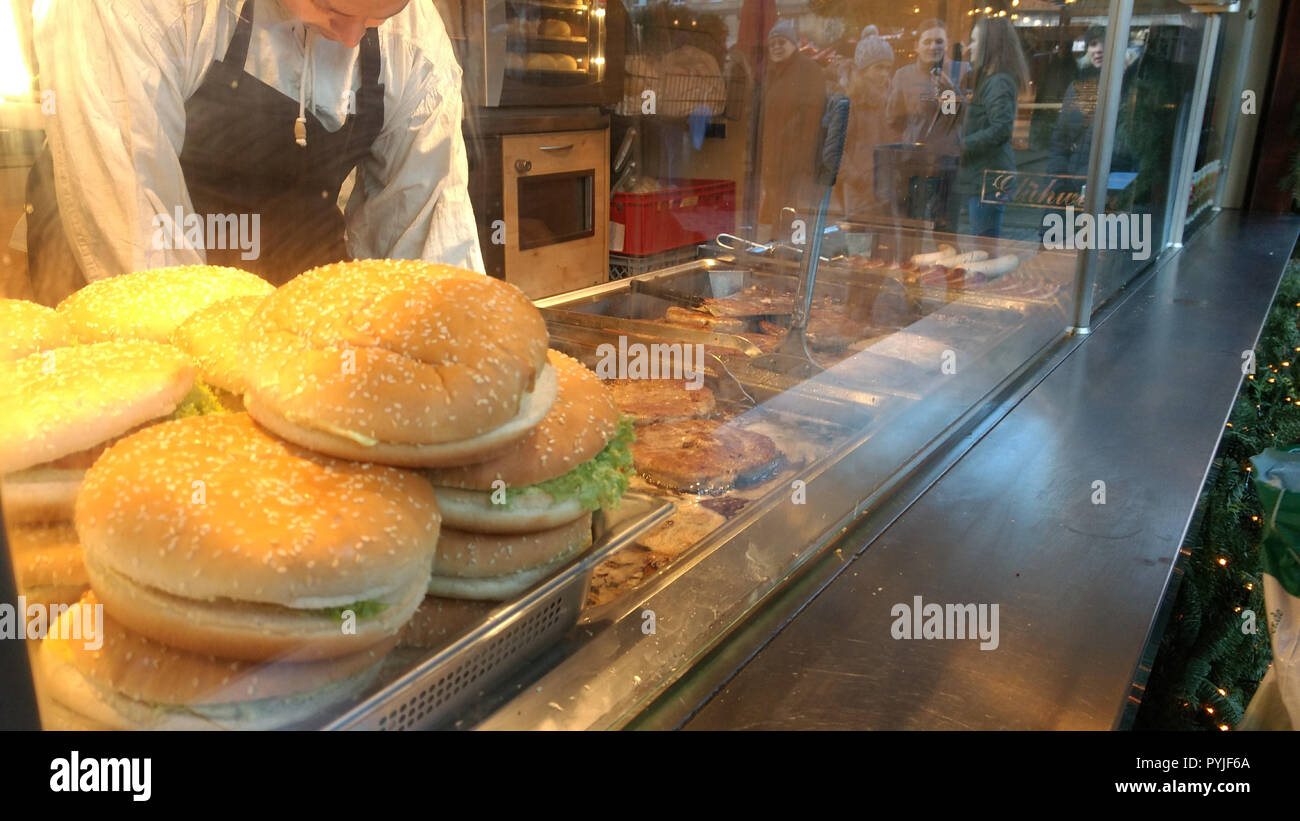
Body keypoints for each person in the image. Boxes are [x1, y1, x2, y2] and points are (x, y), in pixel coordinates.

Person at [25, 0, 482, 305]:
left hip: (292, 270)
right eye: (330, 7)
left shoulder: (416, 36)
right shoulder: (136, 8)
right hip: (120, 254)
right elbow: (138, 245)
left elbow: (430, 238)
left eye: (377, 18)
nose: (349, 38)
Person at [884, 19, 967, 232]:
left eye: (939, 41)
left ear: (947, 44)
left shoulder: (961, 72)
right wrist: (914, 130)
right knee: (912, 227)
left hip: (948, 161)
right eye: (927, 41)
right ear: (916, 45)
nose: (933, 47)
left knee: (946, 229)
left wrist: (949, 92)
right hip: (914, 161)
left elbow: (958, 118)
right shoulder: (903, 75)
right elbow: (893, 118)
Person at [956, 16, 1028, 238]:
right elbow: (968, 117)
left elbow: (1001, 129)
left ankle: (989, 274)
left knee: (985, 245)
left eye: (975, 41)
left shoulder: (997, 81)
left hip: (988, 177)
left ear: (990, 45)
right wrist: (949, 94)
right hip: (983, 175)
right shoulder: (987, 79)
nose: (970, 47)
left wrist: (961, 145)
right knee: (984, 241)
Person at [756, 18, 827, 238]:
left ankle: (791, 251)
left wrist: (805, 154)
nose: (776, 47)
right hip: (773, 153)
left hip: (797, 154)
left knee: (793, 205)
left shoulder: (809, 70)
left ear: (794, 44)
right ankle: (779, 245)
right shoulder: (771, 73)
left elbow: (813, 114)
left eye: (782, 42)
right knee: (778, 202)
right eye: (773, 43)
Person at [833, 26, 899, 220]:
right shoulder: (850, 102)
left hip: (888, 190)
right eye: (878, 67)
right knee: (860, 247)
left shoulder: (891, 99)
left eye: (888, 68)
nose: (884, 73)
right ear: (863, 69)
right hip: (860, 194)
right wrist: (859, 181)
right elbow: (837, 151)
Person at [1048, 25, 1105, 179]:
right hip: (1070, 186)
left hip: (1103, 188)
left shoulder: (1126, 88)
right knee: (1070, 205)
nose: (1098, 49)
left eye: (1104, 43)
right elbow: (1059, 139)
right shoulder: (1076, 87)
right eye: (1093, 44)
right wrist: (1057, 180)